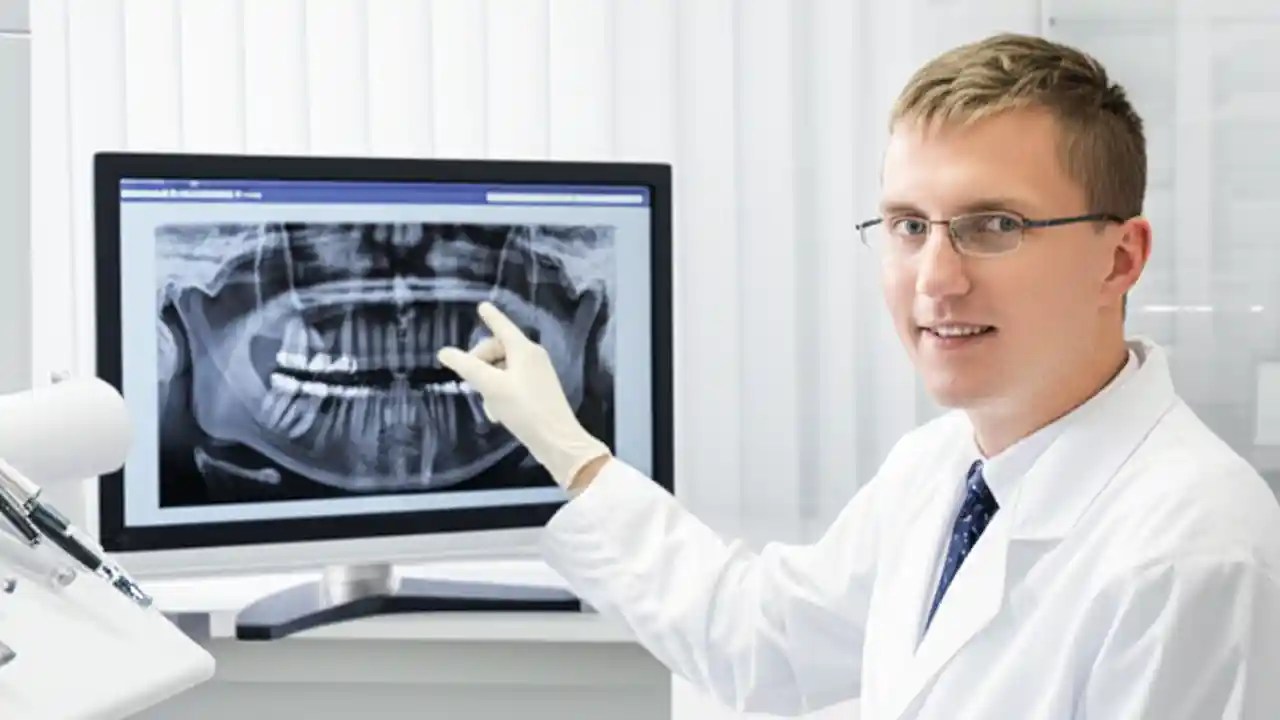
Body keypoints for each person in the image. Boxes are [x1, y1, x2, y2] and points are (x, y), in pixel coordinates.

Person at [438, 32, 1280, 719]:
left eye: (994, 224)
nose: (935, 279)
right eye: (910, 225)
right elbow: (760, 644)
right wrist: (570, 451)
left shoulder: (1193, 552)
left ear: (1119, 258)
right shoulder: (941, 468)